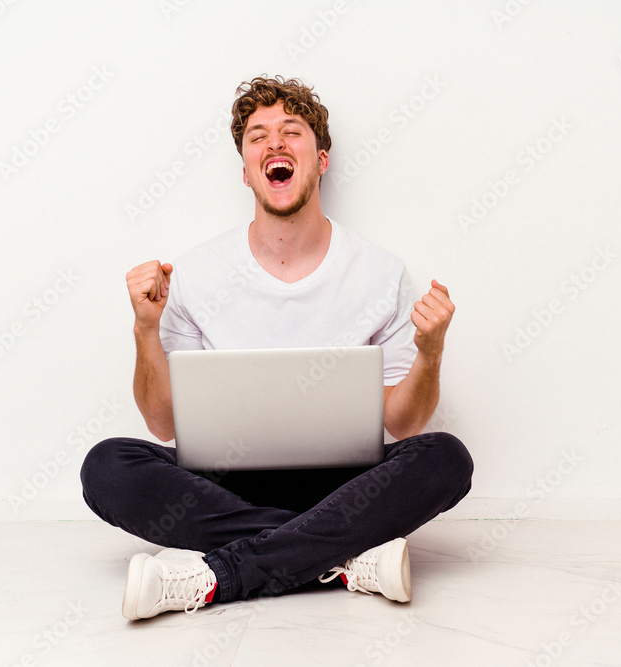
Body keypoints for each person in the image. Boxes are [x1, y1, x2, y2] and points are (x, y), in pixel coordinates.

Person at [79, 75, 473, 620]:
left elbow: (405, 425)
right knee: (107, 466)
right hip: (225, 486)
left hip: (343, 487)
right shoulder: (194, 273)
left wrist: (430, 354)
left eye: (291, 131)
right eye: (258, 137)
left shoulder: (380, 272)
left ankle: (216, 575)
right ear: (246, 171)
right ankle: (344, 559)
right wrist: (146, 330)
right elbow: (163, 424)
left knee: (445, 459)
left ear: (321, 160)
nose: (275, 144)